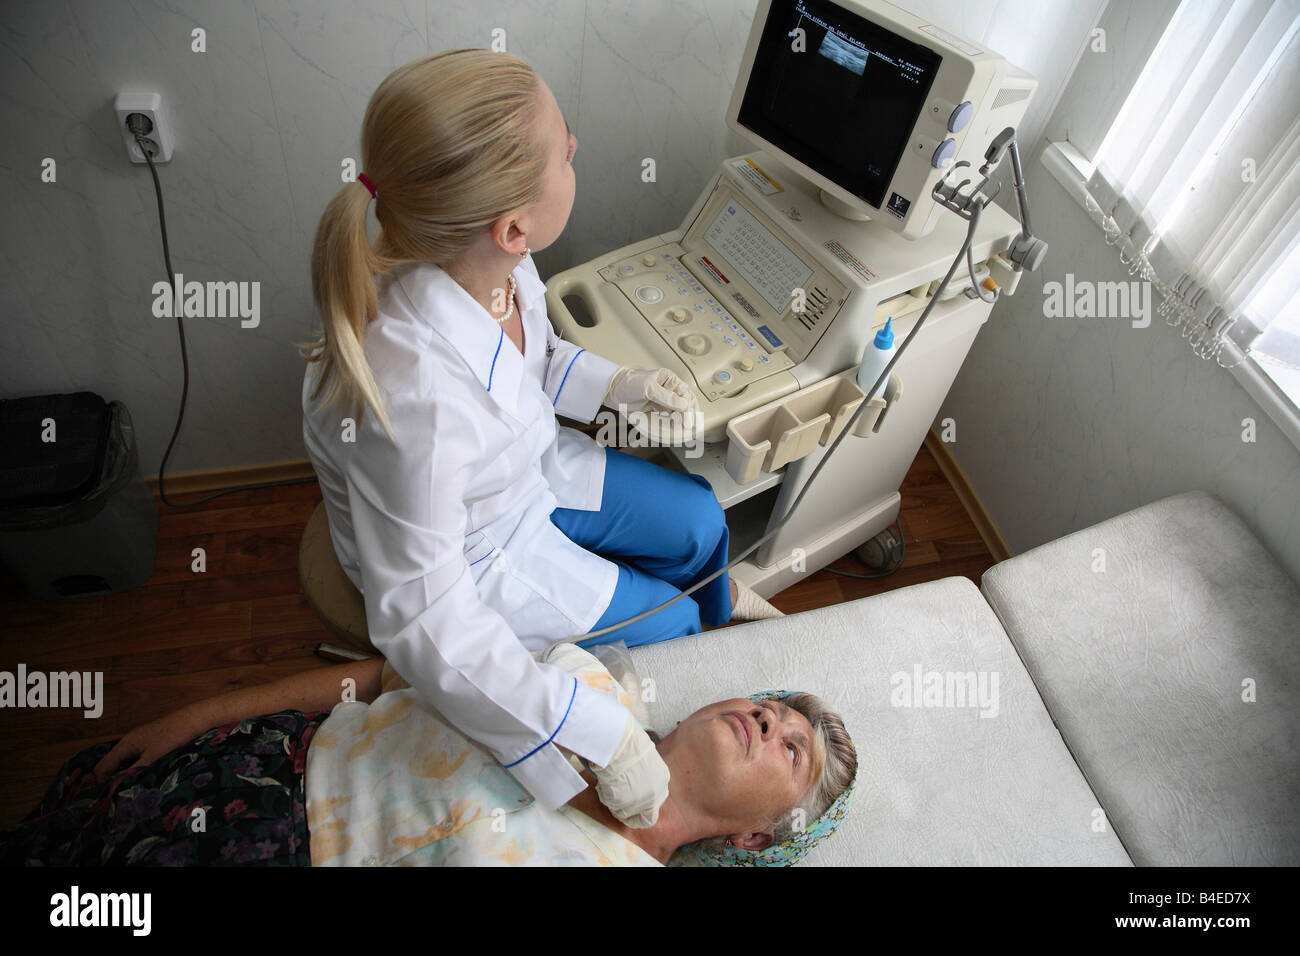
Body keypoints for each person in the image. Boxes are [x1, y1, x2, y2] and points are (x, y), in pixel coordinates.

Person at [299, 46, 781, 831]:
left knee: (702, 519)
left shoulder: (484, 257)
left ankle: (719, 599)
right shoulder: (414, 400)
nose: (576, 147)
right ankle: (702, 620)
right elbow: (424, 622)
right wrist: (595, 730)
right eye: (564, 144)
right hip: (476, 552)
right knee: (673, 627)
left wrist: (617, 389)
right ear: (514, 223)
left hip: (520, 472)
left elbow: (534, 361)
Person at [0, 646, 857, 867]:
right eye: (774, 705)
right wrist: (199, 715)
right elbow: (379, 676)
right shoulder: (584, 678)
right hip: (265, 763)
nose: (766, 718)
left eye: (791, 749)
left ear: (755, 840)